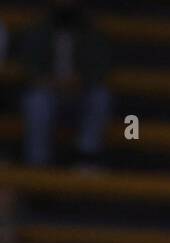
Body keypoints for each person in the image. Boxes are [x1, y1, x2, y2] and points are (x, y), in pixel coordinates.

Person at [18, 2, 111, 169]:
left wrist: (81, 80)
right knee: (36, 102)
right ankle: (38, 163)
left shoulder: (91, 31)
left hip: (80, 93)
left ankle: (86, 156)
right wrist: (52, 82)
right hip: (48, 93)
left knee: (100, 97)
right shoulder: (38, 30)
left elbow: (100, 68)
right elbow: (30, 70)